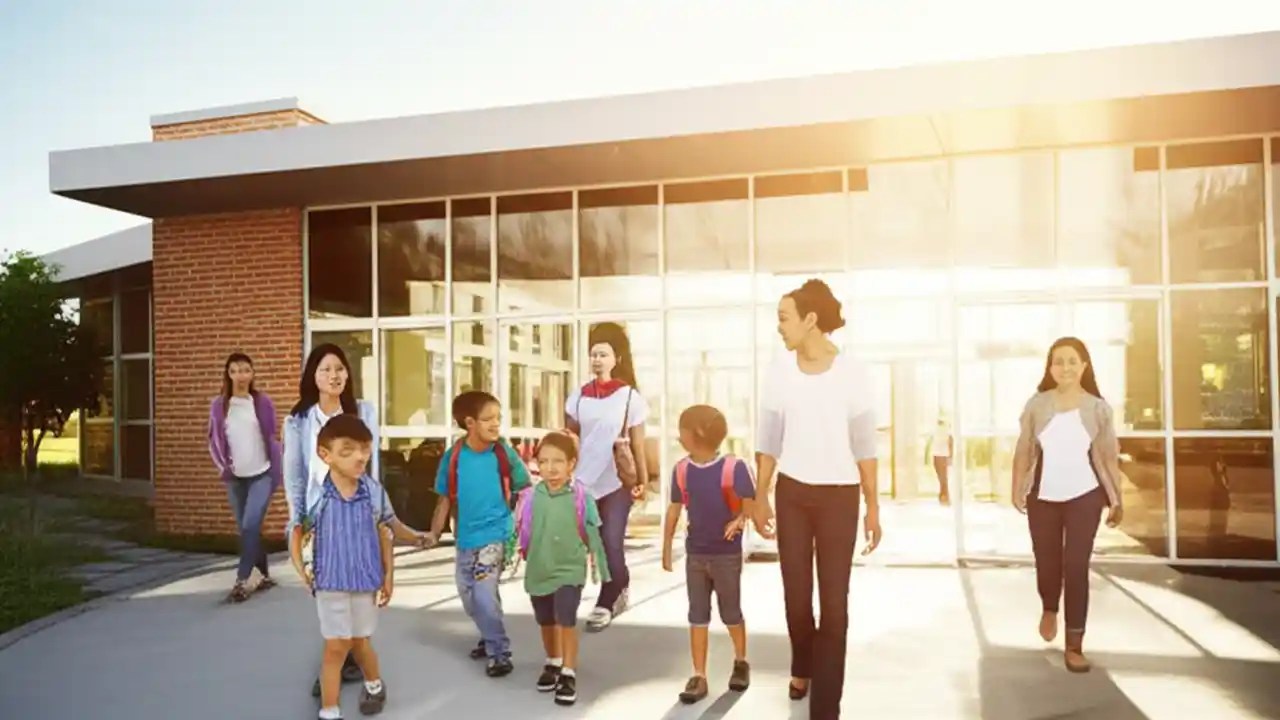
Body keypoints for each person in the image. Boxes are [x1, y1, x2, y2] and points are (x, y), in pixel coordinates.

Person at [752, 279, 882, 720]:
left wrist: (873, 507)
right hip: (792, 492)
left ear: (810, 320)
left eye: (783, 318)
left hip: (840, 498)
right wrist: (759, 496)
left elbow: (865, 445)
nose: (778, 328)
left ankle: (826, 708)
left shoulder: (852, 372)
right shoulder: (779, 371)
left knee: (835, 605)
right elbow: (769, 439)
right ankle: (803, 662)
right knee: (795, 595)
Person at [284, 343, 428, 696]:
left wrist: (378, 511)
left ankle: (350, 663)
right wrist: (297, 523)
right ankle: (337, 662)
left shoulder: (363, 410)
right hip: (324, 516)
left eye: (340, 369)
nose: (334, 375)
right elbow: (296, 475)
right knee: (332, 593)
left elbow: (370, 463)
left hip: (359, 507)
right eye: (325, 369)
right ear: (313, 377)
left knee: (359, 588)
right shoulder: (299, 420)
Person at [1012, 336, 1124, 674]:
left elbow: (1108, 456)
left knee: (1076, 566)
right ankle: (1049, 606)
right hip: (1043, 498)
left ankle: (1074, 644)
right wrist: (1016, 486)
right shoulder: (1036, 405)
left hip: (1085, 497)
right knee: (1047, 561)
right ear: (1050, 368)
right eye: (1058, 361)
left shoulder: (1098, 409)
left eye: (1072, 361)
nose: (1065, 367)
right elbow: (1024, 448)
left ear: (1084, 366)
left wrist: (1117, 500)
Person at [289, 414, 394, 720]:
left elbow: (384, 532)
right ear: (326, 455)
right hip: (330, 582)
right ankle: (329, 710)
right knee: (336, 646)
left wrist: (389, 576)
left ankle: (375, 685)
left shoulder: (372, 491)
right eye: (347, 450)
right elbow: (298, 532)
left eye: (364, 448)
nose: (359, 456)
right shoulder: (316, 495)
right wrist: (302, 570)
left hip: (365, 581)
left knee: (360, 643)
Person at [423, 390, 532, 678]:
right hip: (465, 538)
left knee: (484, 594)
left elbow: (526, 488)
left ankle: (500, 652)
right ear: (469, 423)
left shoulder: (503, 453)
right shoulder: (454, 457)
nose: (496, 424)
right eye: (488, 419)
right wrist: (434, 533)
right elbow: (443, 499)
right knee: (468, 596)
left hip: (497, 533)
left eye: (498, 418)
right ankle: (488, 632)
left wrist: (527, 526)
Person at [662, 405, 755, 705]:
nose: (679, 436)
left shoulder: (734, 468)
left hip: (726, 556)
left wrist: (740, 520)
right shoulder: (682, 470)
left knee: (731, 612)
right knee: (697, 614)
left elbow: (750, 505)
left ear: (697, 433)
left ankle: (741, 660)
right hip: (696, 555)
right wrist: (666, 546)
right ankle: (698, 675)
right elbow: (675, 508)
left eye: (683, 430)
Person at [509, 430, 609, 707]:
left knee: (565, 618)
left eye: (558, 462)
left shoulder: (581, 498)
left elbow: (594, 533)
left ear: (572, 463)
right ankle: (553, 661)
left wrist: (600, 564)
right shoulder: (529, 498)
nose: (550, 468)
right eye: (543, 462)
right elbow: (516, 529)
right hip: (539, 567)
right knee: (546, 620)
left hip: (569, 568)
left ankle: (568, 672)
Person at [565, 322, 649, 633]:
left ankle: (607, 598)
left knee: (612, 541)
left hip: (616, 481)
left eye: (603, 353)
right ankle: (619, 585)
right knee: (593, 543)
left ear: (617, 359)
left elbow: (638, 443)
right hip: (584, 481)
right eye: (593, 354)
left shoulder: (629, 397)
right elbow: (568, 438)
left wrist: (641, 479)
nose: (597, 359)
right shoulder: (577, 398)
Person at [207, 352, 282, 603]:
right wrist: (222, 466)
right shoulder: (219, 406)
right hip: (235, 478)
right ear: (228, 374)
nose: (241, 375)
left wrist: (276, 468)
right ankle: (264, 575)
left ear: (252, 374)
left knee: (250, 526)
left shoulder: (262, 402)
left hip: (262, 474)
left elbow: (272, 435)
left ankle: (242, 580)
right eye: (235, 370)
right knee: (247, 530)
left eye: (245, 370)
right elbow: (213, 441)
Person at [930, 417, 953, 506]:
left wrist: (950, 456)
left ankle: (944, 497)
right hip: (938, 455)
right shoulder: (937, 431)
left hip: (942, 455)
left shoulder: (946, 431)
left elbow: (950, 443)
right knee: (942, 478)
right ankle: (943, 496)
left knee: (943, 478)